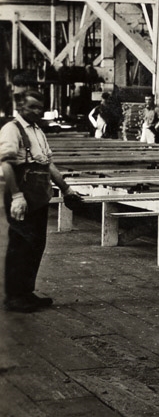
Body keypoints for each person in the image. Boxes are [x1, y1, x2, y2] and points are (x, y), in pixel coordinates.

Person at [1, 92, 82, 312]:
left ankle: (26, 292)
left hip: (38, 195)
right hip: (21, 194)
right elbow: (7, 165)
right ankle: (14, 297)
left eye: (40, 107)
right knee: (21, 244)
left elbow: (48, 165)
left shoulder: (38, 131)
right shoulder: (12, 129)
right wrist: (17, 196)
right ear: (20, 107)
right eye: (33, 107)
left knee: (35, 244)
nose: (38, 111)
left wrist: (66, 189)